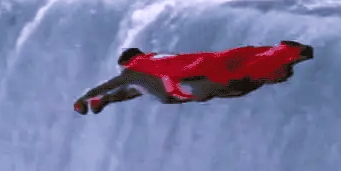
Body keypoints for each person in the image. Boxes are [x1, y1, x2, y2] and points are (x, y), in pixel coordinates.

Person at [73, 40, 314, 115]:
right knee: (240, 66)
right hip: (202, 78)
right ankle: (287, 56)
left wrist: (85, 99)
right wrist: (102, 101)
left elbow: (113, 85)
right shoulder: (155, 66)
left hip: (198, 88)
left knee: (241, 78)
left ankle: (287, 60)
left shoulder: (136, 70)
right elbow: (125, 92)